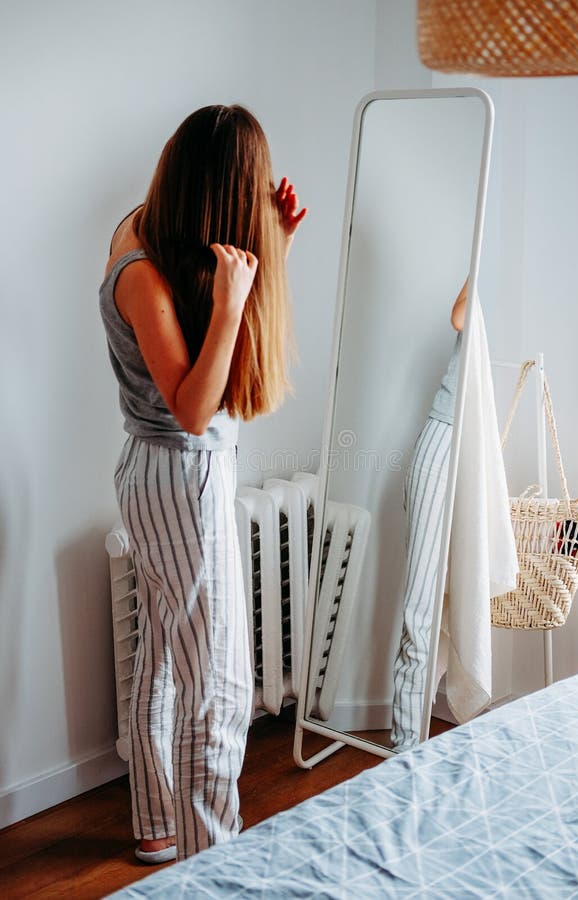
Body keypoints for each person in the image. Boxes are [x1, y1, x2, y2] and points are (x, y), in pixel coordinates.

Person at [99, 105, 307, 863]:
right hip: (184, 476)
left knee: (159, 656)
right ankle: (213, 862)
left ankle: (158, 827)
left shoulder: (144, 227)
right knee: (216, 686)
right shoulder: (144, 276)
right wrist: (231, 303)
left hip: (151, 476)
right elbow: (192, 410)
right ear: (222, 193)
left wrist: (274, 248)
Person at [390, 278, 467, 750]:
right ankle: (403, 749)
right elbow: (459, 317)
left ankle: (412, 742)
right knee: (421, 609)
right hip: (442, 440)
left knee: (448, 605)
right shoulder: (477, 276)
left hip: (465, 448)